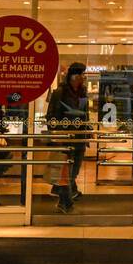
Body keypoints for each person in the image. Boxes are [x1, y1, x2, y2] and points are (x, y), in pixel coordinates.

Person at [47, 62, 89, 214]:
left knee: (73, 173)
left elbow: (85, 114)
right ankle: (67, 204)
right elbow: (50, 116)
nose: (84, 77)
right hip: (65, 139)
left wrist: (87, 131)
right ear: (74, 76)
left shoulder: (83, 92)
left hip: (79, 139)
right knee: (67, 174)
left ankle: (62, 200)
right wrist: (56, 134)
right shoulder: (60, 93)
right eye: (82, 74)